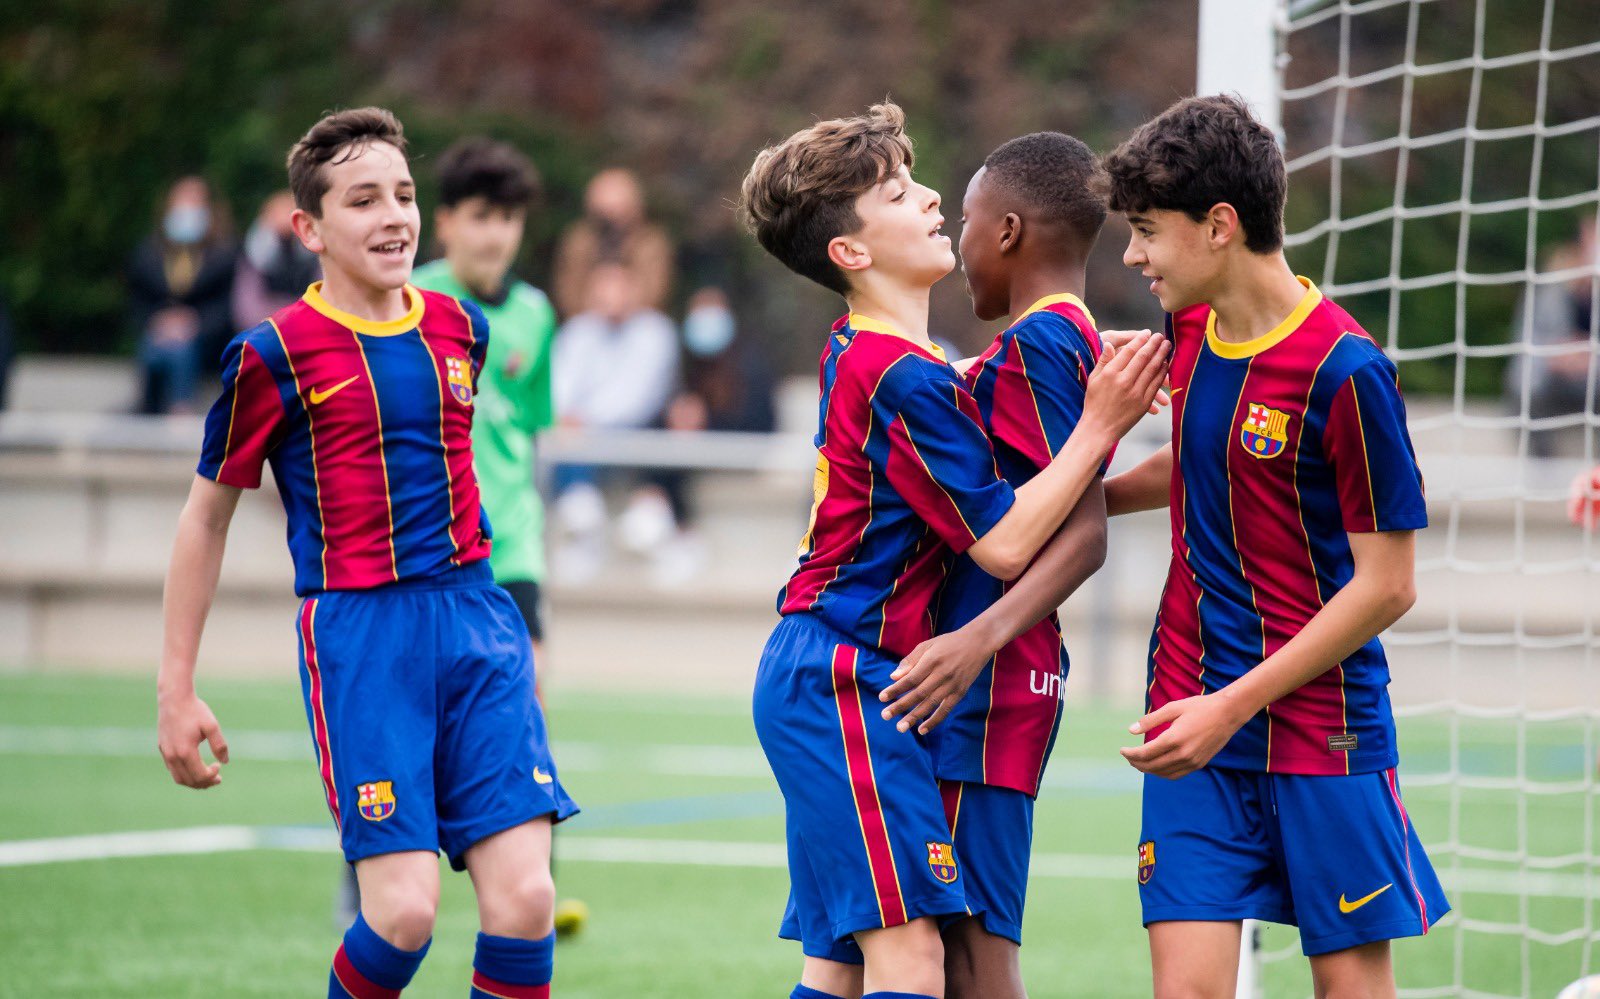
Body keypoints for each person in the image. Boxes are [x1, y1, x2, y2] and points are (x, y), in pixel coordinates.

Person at [738, 102, 1168, 999]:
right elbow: (1006, 543)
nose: (932, 197)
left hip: (846, 671)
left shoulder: (893, 355)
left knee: (841, 961)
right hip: (842, 674)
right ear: (851, 251)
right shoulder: (902, 373)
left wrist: (1082, 361)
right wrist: (1099, 423)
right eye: (899, 194)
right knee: (914, 958)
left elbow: (959, 397)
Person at [155, 107, 576, 999]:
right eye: (363, 200)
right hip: (363, 634)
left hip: (478, 616)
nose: (394, 216)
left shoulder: (462, 328)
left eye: (404, 195)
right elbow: (204, 520)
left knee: (527, 897)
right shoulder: (272, 355)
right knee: (403, 913)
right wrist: (176, 688)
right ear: (308, 229)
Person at [1100, 94, 1449, 997]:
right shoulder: (1189, 326)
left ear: (1220, 225)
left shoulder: (1347, 372)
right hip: (1190, 714)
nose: (1132, 255)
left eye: (1147, 230)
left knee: (1350, 988)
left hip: (1321, 728)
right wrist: (1073, 501)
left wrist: (1235, 704)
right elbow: (1204, 459)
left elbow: (1389, 584)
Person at [873, 132, 1125, 999]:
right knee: (927, 948)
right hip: (984, 677)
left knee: (974, 957)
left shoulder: (1041, 345)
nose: (959, 241)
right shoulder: (1059, 338)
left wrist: (976, 639)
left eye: (969, 221)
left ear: (1009, 231)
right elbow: (1053, 493)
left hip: (987, 685)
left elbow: (1083, 533)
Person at [410, 136, 587, 937]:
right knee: (414, 715)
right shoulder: (410, 299)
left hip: (510, 547)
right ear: (446, 220)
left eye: (510, 219)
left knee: (528, 703)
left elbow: (528, 432)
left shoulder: (536, 314)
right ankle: (376, 867)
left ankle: (535, 885)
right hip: (426, 548)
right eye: (481, 216)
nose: (496, 235)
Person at [549, 261, 680, 581]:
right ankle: (581, 523)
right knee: (559, 440)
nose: (612, 295)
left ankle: (645, 518)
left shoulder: (656, 332)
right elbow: (560, 387)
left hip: (638, 430)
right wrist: (567, 417)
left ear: (635, 290)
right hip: (583, 435)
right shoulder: (577, 332)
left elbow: (641, 397)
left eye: (619, 286)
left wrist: (586, 421)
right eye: (604, 287)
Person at [128, 175, 238, 413]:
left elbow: (228, 305)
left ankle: (179, 407)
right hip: (158, 334)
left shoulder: (225, 254)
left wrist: (194, 323)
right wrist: (159, 322)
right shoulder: (148, 252)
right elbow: (137, 301)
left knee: (180, 350)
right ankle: (155, 407)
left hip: (207, 341)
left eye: (195, 202)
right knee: (155, 349)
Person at [1505, 217, 1598, 458]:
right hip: (1553, 384)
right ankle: (1540, 464)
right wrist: (1559, 355)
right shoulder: (1552, 289)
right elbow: (1527, 346)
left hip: (1592, 383)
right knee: (1528, 388)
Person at [552, 167, 674, 318]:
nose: (611, 215)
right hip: (587, 317)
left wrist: (625, 300)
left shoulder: (651, 241)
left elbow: (657, 290)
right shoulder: (579, 240)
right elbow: (568, 289)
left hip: (639, 318)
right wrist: (595, 301)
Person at [234, 190, 321, 328]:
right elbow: (247, 308)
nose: (285, 219)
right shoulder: (253, 255)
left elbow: (323, 297)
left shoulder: (316, 253)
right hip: (267, 329)